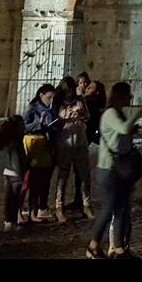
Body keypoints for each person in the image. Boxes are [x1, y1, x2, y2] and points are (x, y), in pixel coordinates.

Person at [88, 82, 142, 259]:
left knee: (121, 208)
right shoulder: (110, 113)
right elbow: (123, 128)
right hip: (108, 169)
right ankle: (93, 246)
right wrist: (139, 113)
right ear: (120, 96)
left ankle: (119, 249)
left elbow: (121, 138)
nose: (130, 98)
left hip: (118, 169)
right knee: (108, 209)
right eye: (128, 95)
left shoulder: (118, 113)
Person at [52, 76, 93, 222]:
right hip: (65, 141)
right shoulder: (58, 103)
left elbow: (88, 116)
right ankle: (59, 207)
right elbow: (53, 122)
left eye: (71, 89)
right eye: (67, 90)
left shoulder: (80, 100)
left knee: (84, 174)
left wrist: (81, 114)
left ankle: (86, 205)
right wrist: (64, 118)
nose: (70, 93)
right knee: (63, 175)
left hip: (80, 139)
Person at [23, 84, 59, 221]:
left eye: (52, 98)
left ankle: (39, 209)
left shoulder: (51, 109)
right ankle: (27, 210)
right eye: (48, 97)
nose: (50, 101)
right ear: (41, 95)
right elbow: (24, 128)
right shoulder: (32, 109)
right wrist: (39, 122)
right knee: (32, 181)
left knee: (44, 181)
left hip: (47, 148)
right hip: (35, 148)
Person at [0, 115, 28, 231]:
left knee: (8, 198)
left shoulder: (8, 140)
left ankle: (8, 222)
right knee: (14, 199)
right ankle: (13, 222)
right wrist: (22, 173)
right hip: (16, 172)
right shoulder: (16, 142)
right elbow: (18, 159)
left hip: (8, 171)